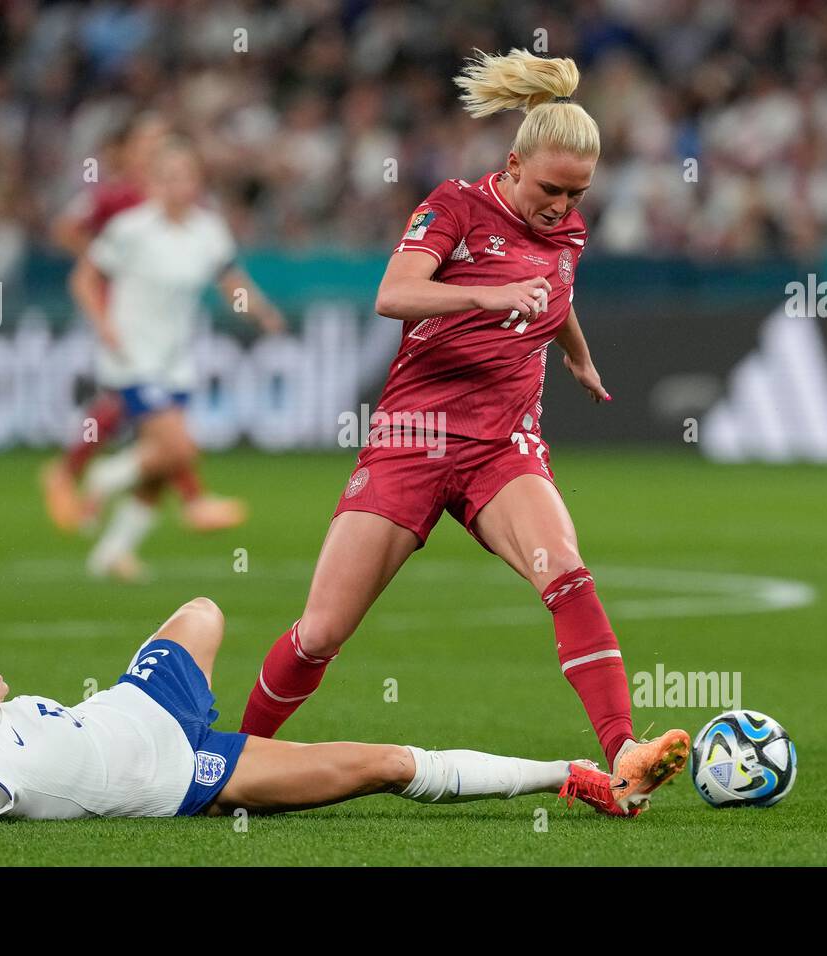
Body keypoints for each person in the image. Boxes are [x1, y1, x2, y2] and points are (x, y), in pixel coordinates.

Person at [235, 49, 688, 816]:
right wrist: (485, 296)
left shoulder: (568, 228)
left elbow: (556, 288)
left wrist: (577, 356)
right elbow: (394, 294)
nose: (561, 206)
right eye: (549, 188)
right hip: (411, 436)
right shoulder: (453, 206)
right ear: (513, 165)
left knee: (568, 574)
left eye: (577, 193)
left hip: (501, 444)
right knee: (320, 633)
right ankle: (230, 762)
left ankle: (623, 756)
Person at [0, 597, 636, 828]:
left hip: (142, 705)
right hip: (190, 770)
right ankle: (575, 776)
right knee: (390, 765)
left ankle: (255, 733)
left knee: (203, 611)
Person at [68, 136, 285, 580]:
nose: (177, 185)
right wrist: (104, 324)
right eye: (167, 177)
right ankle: (104, 477)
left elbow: (230, 282)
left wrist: (258, 310)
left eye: (185, 177)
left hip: (175, 360)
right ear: (153, 182)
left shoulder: (208, 230)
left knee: (161, 465)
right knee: (178, 447)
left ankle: (112, 551)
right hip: (131, 356)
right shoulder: (130, 229)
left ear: (197, 182)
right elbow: (85, 279)